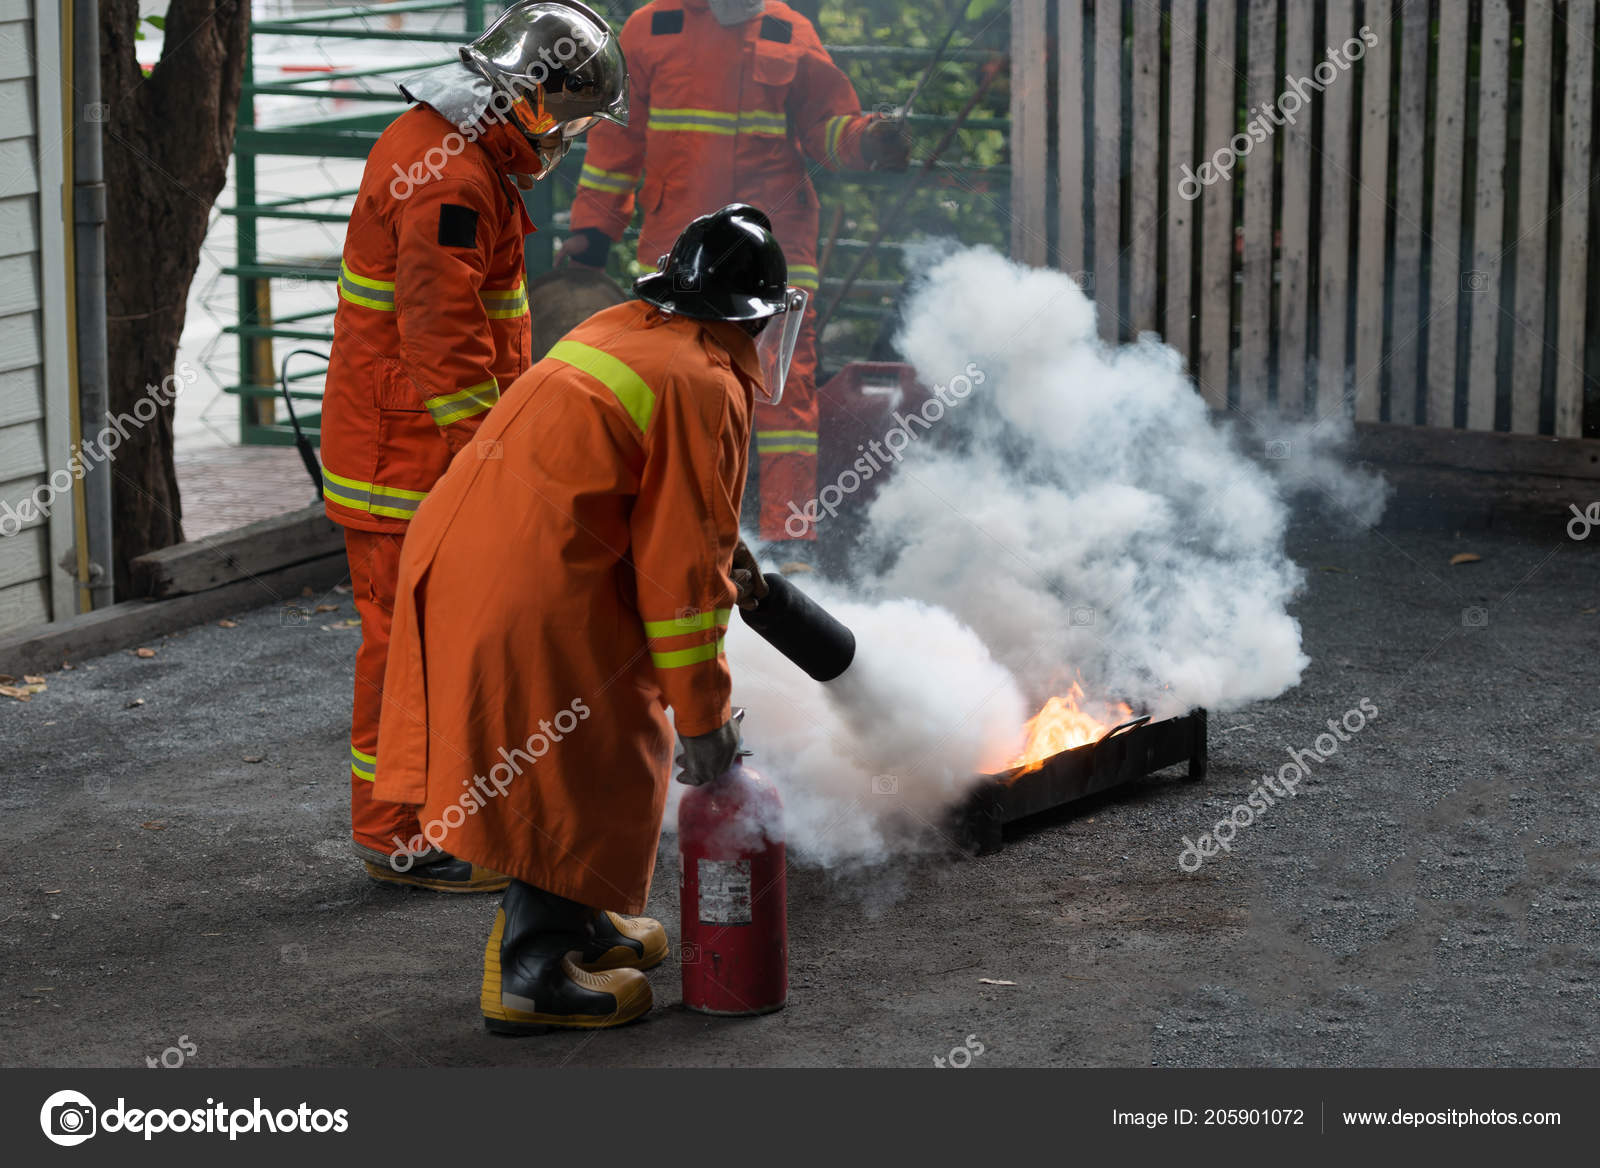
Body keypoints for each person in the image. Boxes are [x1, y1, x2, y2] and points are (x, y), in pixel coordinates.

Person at [373, 205, 804, 1031]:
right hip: (531, 577)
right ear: (747, 317)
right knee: (581, 751)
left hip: (471, 545)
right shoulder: (705, 381)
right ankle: (532, 973)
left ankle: (585, 915)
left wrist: (723, 544)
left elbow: (639, 485)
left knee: (598, 745)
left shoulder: (625, 325)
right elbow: (678, 577)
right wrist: (705, 720)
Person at [320, 0, 627, 891]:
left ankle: (434, 815)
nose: (567, 133)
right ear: (532, 94)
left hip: (415, 444)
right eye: (568, 113)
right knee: (401, 645)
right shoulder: (452, 177)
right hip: (406, 456)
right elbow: (442, 335)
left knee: (433, 641)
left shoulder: (451, 148)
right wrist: (485, 455)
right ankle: (396, 837)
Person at [560, 0, 910, 568]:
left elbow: (826, 130)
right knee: (670, 385)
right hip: (680, 253)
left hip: (775, 247)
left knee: (782, 387)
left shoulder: (787, 30)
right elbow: (618, 143)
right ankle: (676, 531)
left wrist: (868, 139)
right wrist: (593, 229)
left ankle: (787, 542)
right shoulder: (652, 27)